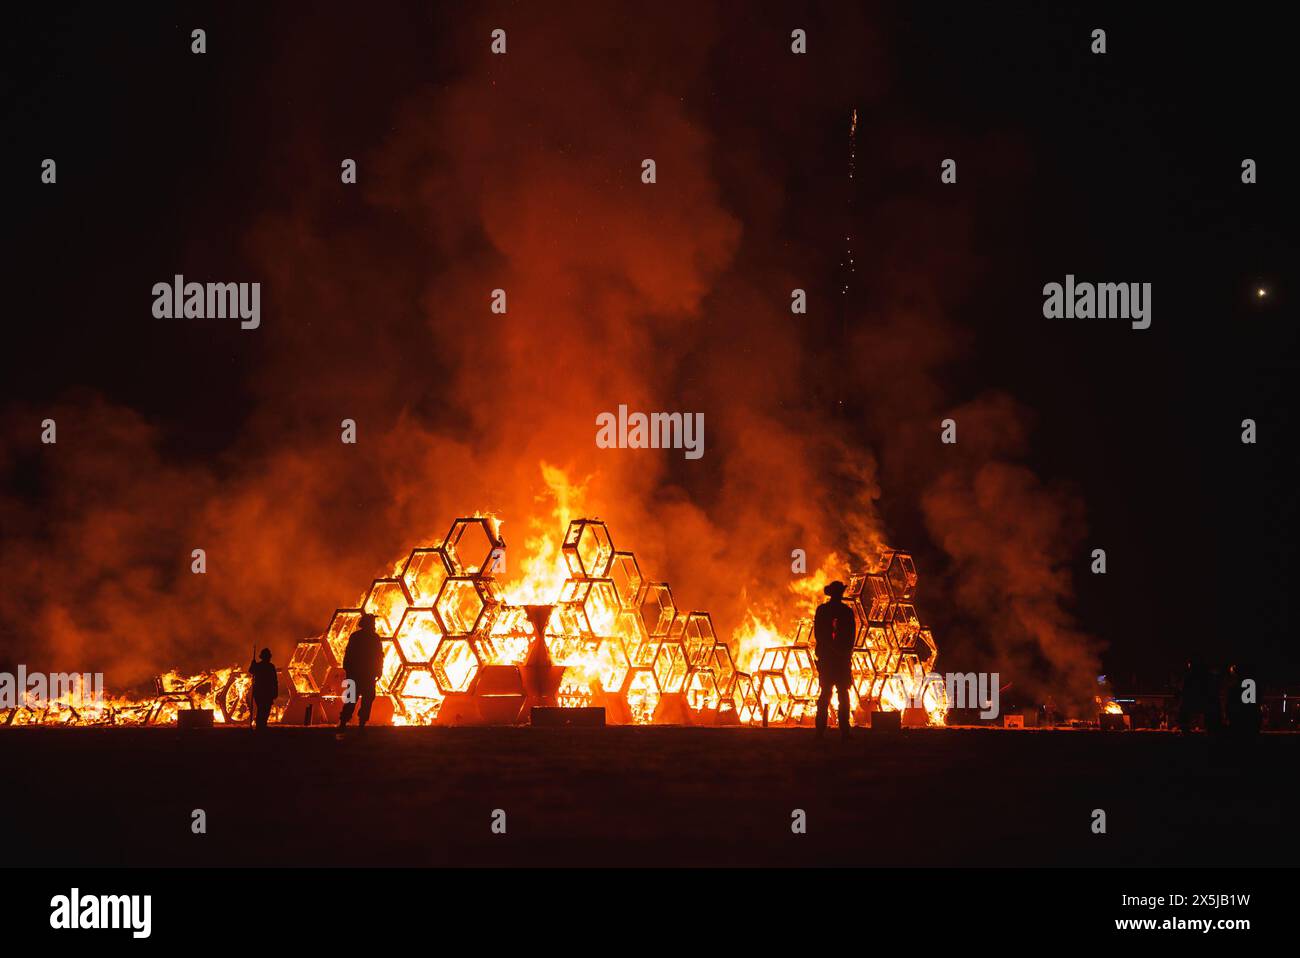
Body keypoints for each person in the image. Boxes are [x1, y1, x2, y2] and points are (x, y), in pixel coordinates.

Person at [813, 580, 856, 740]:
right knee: (841, 694)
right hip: (839, 659)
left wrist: (832, 649)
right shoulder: (846, 612)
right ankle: (843, 731)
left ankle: (821, 730)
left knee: (827, 693)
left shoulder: (822, 610)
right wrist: (842, 651)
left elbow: (819, 635)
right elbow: (851, 637)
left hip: (828, 658)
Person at [339, 613, 384, 730]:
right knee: (367, 699)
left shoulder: (355, 636)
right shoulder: (374, 638)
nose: (374, 624)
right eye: (373, 622)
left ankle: (344, 722)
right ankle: (361, 724)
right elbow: (379, 656)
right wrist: (379, 671)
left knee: (352, 699)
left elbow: (348, 655)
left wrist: (348, 670)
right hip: (367, 675)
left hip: (356, 674)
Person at [247, 648, 278, 730]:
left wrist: (253, 664)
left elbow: (251, 670)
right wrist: (252, 664)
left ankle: (261, 726)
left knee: (262, 709)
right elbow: (275, 681)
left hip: (260, 692)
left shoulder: (259, 666)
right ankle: (261, 726)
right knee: (264, 710)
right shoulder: (270, 666)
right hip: (265, 692)